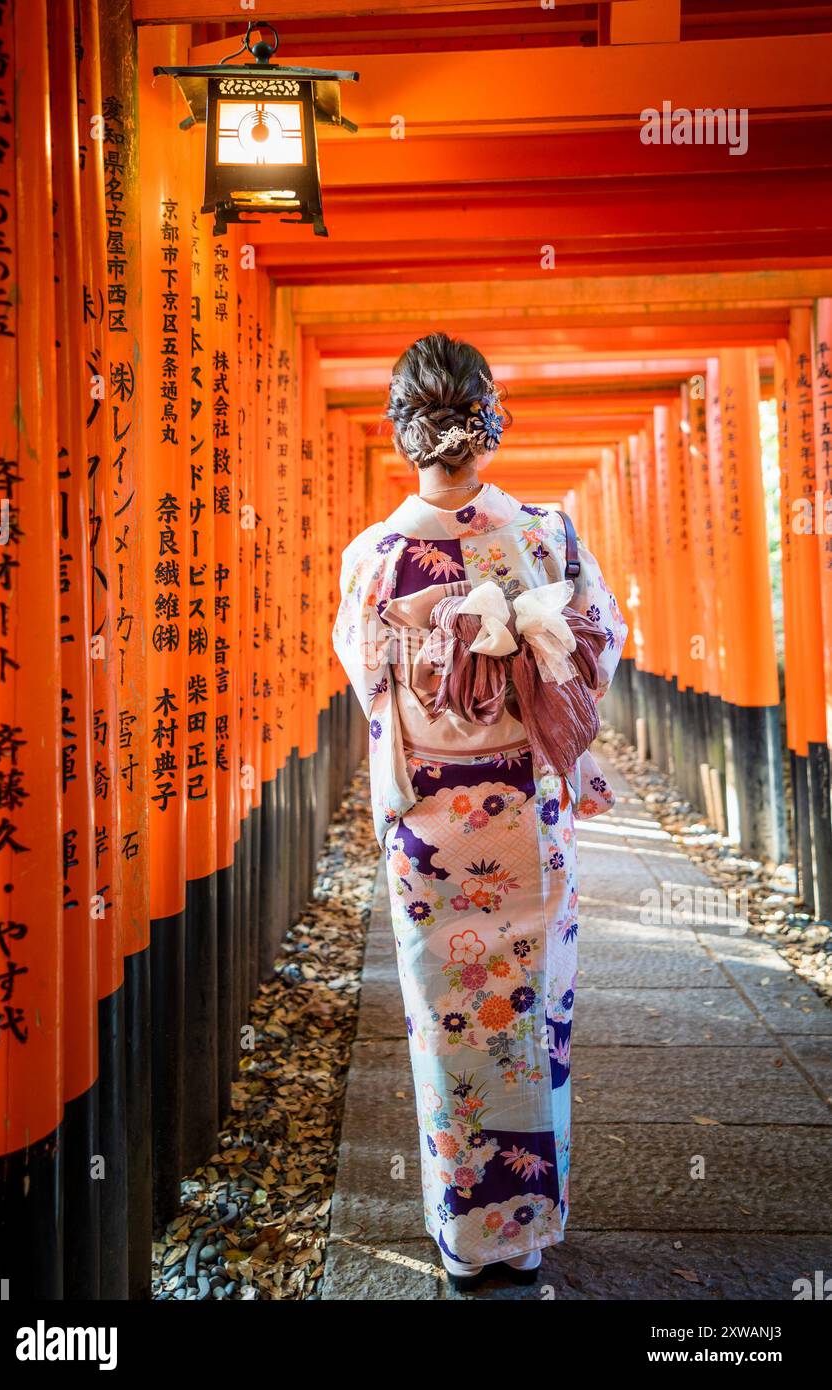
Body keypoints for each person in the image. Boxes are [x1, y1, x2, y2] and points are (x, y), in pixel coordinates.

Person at [332, 333, 628, 1289]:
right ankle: (526, 1232)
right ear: (488, 421)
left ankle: (465, 1238)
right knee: (532, 1015)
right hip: (526, 815)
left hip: (428, 826)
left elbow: (371, 687)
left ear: (404, 429)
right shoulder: (546, 535)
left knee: (447, 1025)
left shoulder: (374, 558)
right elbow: (601, 647)